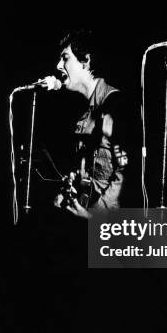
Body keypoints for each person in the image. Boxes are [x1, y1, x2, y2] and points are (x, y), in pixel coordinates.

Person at [53, 28, 130, 217]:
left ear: (86, 60)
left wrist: (96, 215)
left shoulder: (115, 105)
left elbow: (126, 173)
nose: (58, 66)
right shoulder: (86, 111)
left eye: (65, 58)